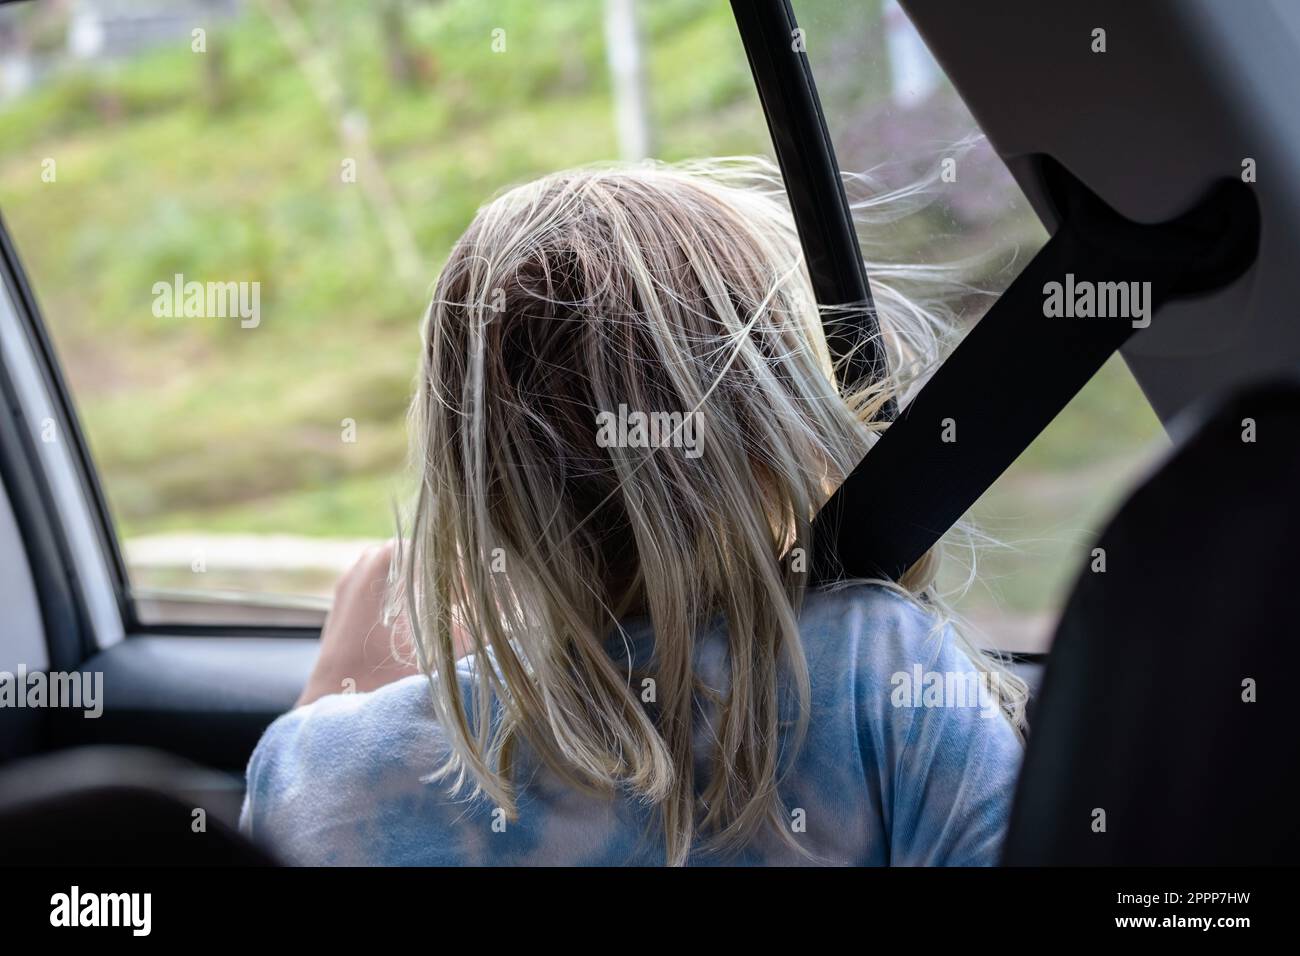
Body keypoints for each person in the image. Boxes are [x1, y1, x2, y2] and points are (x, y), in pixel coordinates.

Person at [240, 159, 1026, 865]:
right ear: (780, 432)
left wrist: (336, 703)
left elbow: (306, 812)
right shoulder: (877, 669)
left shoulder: (319, 768)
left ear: (477, 491)